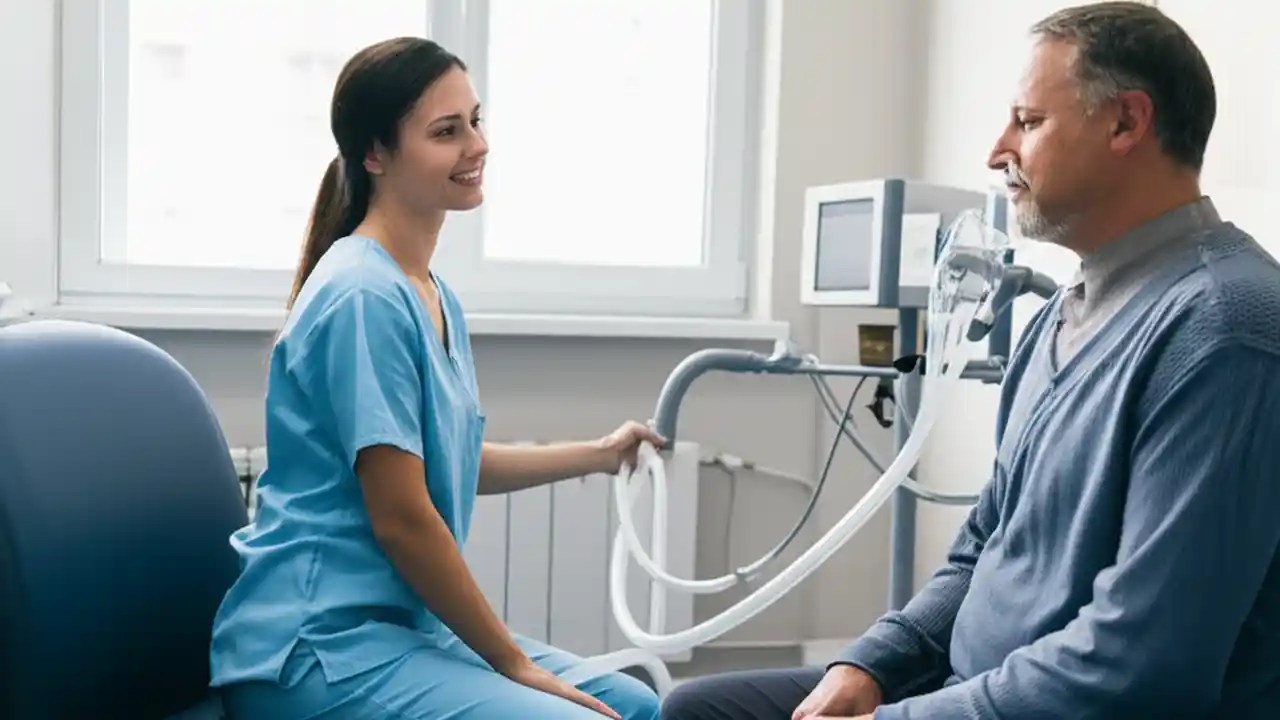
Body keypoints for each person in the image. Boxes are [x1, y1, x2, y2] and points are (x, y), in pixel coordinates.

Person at [662, 3, 1280, 718]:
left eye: (1028, 120)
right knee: (697, 710)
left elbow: (1139, 666)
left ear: (1126, 123)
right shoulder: (1060, 315)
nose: (997, 151)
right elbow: (985, 544)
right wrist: (873, 664)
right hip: (970, 687)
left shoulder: (1227, 332)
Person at [208, 37, 664, 719]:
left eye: (475, 121)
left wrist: (599, 456)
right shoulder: (363, 295)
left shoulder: (428, 292)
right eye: (446, 132)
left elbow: (447, 460)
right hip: (313, 650)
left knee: (636, 704)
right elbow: (402, 517)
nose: (476, 145)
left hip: (396, 633)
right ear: (375, 154)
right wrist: (508, 661)